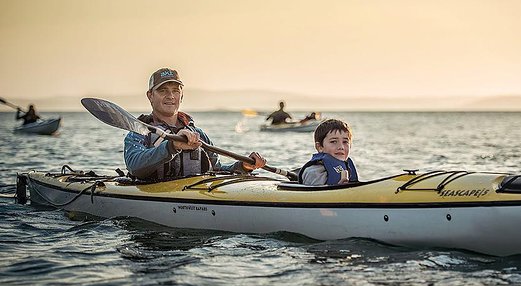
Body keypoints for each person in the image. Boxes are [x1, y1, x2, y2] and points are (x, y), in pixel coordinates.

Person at [124, 68, 267, 181]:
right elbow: (134, 167)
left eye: (175, 91)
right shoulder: (139, 132)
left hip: (192, 199)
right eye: (163, 91)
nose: (170, 96)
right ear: (150, 96)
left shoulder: (198, 134)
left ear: (182, 95)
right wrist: (172, 146)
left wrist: (243, 166)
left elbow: (217, 170)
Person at [298, 118, 359, 186]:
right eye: (333, 142)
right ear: (320, 147)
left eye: (345, 142)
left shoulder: (347, 167)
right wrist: (339, 188)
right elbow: (314, 195)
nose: (341, 147)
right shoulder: (314, 172)